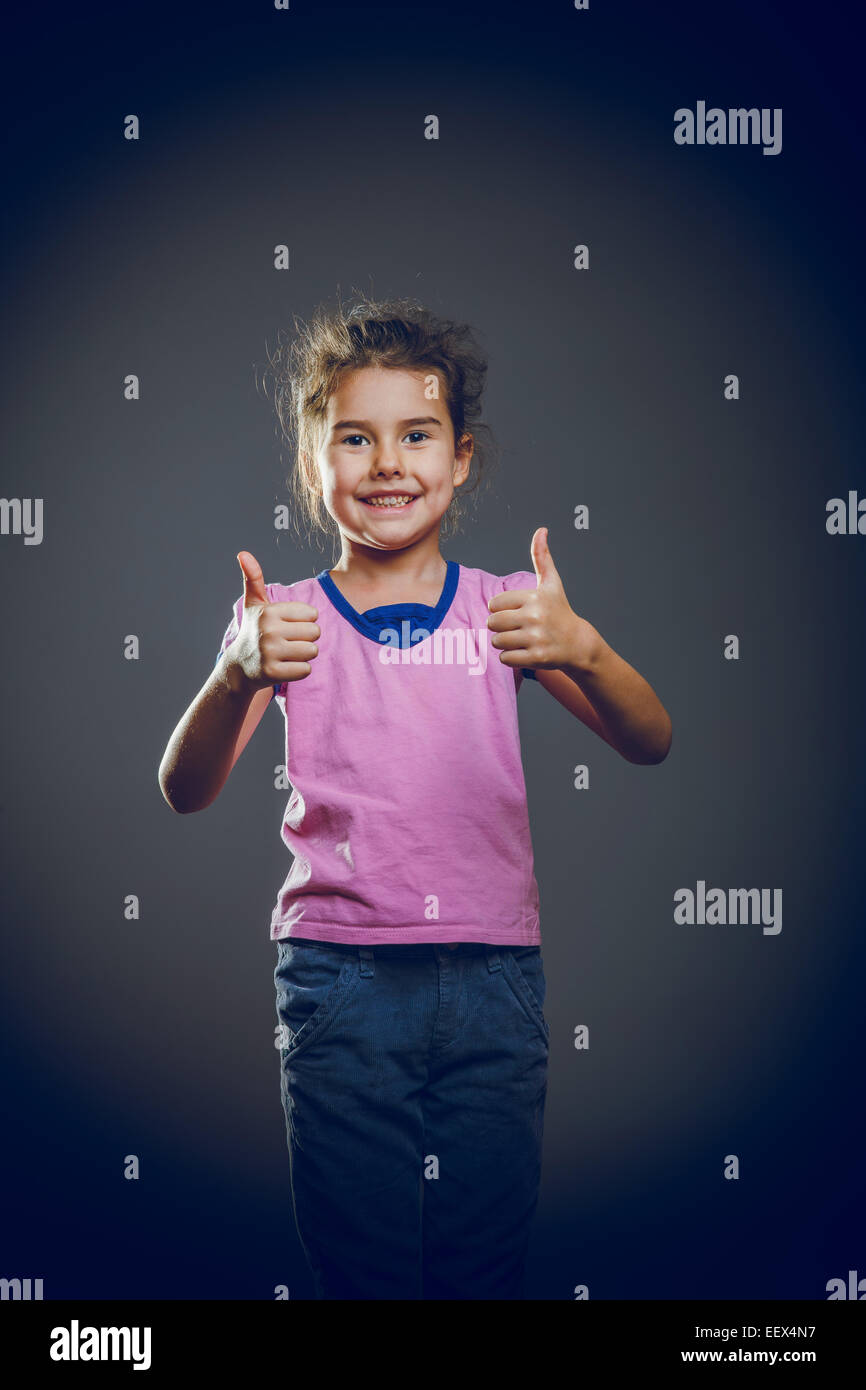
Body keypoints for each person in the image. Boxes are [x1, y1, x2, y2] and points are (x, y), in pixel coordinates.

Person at [158, 296, 672, 1300]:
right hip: (338, 986)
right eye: (355, 437)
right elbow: (182, 789)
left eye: (416, 435)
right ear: (315, 464)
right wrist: (232, 673)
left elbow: (648, 738)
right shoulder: (285, 618)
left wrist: (585, 649)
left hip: (493, 981)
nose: (387, 461)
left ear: (461, 457)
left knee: (482, 1264)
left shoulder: (503, 612)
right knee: (364, 1270)